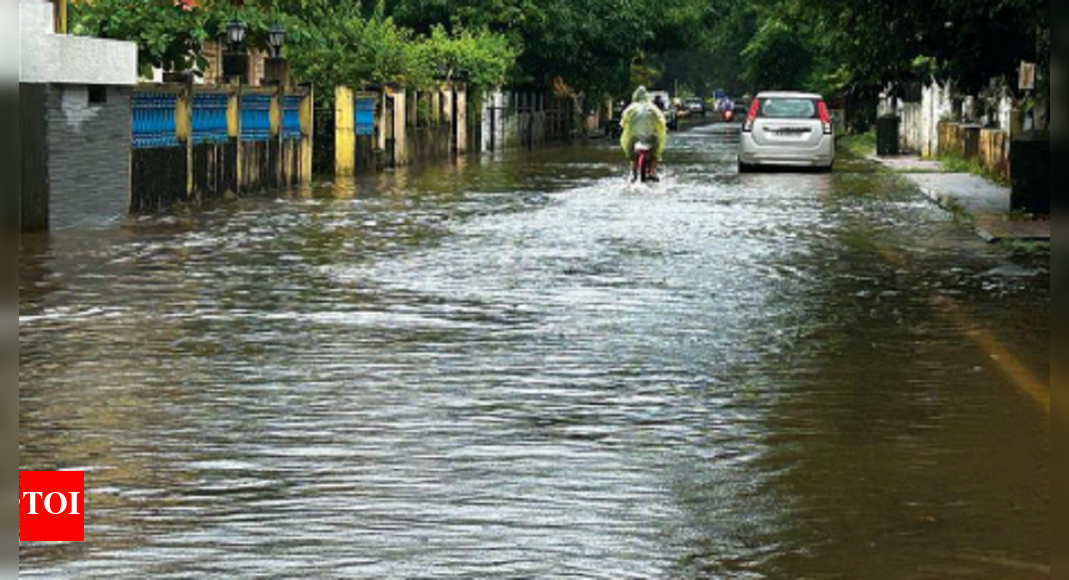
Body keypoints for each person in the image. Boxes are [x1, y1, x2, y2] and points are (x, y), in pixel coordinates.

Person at [620, 87, 668, 180]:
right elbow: (662, 121)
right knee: (656, 152)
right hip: (651, 137)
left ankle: (633, 173)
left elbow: (623, 121)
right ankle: (653, 171)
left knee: (632, 154)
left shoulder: (631, 108)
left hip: (634, 137)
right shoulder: (653, 108)